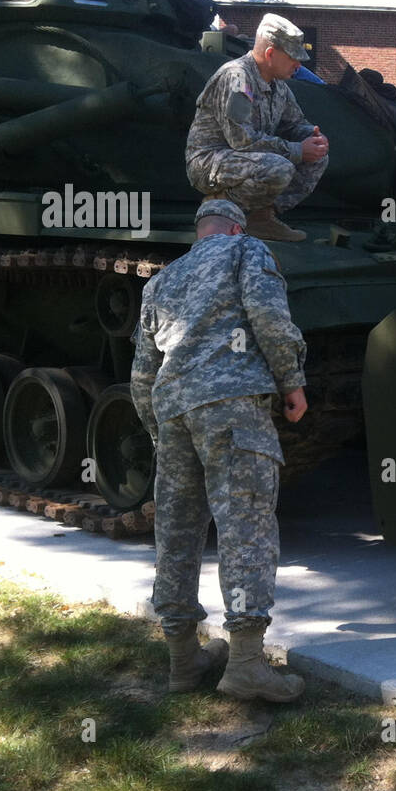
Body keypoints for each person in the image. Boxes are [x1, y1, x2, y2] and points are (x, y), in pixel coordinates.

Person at [131, 198, 310, 702]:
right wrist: (292, 382)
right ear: (235, 227)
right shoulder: (245, 250)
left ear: (199, 232)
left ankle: (183, 664)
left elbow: (143, 371)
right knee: (245, 527)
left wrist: (157, 427)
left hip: (173, 412)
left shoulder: (161, 281)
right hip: (231, 407)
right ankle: (246, 665)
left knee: (177, 533)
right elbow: (269, 317)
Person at [185, 13, 330, 243]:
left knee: (317, 159)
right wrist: (297, 150)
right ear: (270, 53)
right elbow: (241, 140)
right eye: (293, 57)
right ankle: (219, 205)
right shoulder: (237, 78)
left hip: (243, 159)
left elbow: (296, 122)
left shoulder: (278, 85)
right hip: (209, 160)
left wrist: (313, 138)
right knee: (279, 167)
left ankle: (262, 218)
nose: (298, 65)